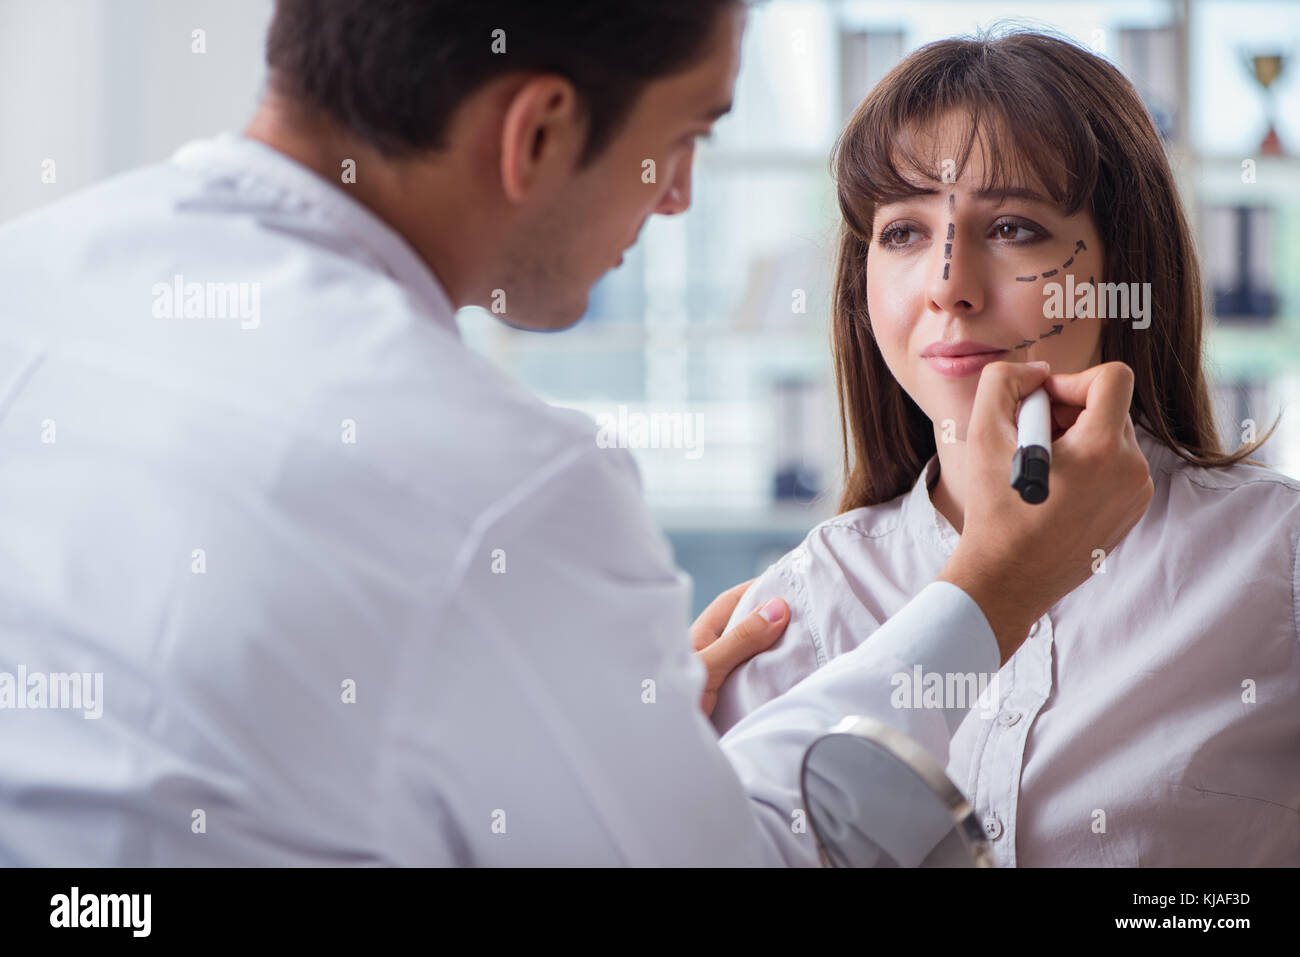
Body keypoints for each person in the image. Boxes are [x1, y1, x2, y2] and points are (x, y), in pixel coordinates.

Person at [0, 2, 1149, 866]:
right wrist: (990, 596)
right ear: (539, 130)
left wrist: (621, 746)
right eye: (684, 137)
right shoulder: (503, 488)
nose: (678, 200)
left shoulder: (32, 277)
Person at [710, 30, 1300, 867]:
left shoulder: (1275, 561)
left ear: (1121, 268)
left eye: (1015, 227)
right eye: (904, 232)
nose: (948, 283)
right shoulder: (795, 608)